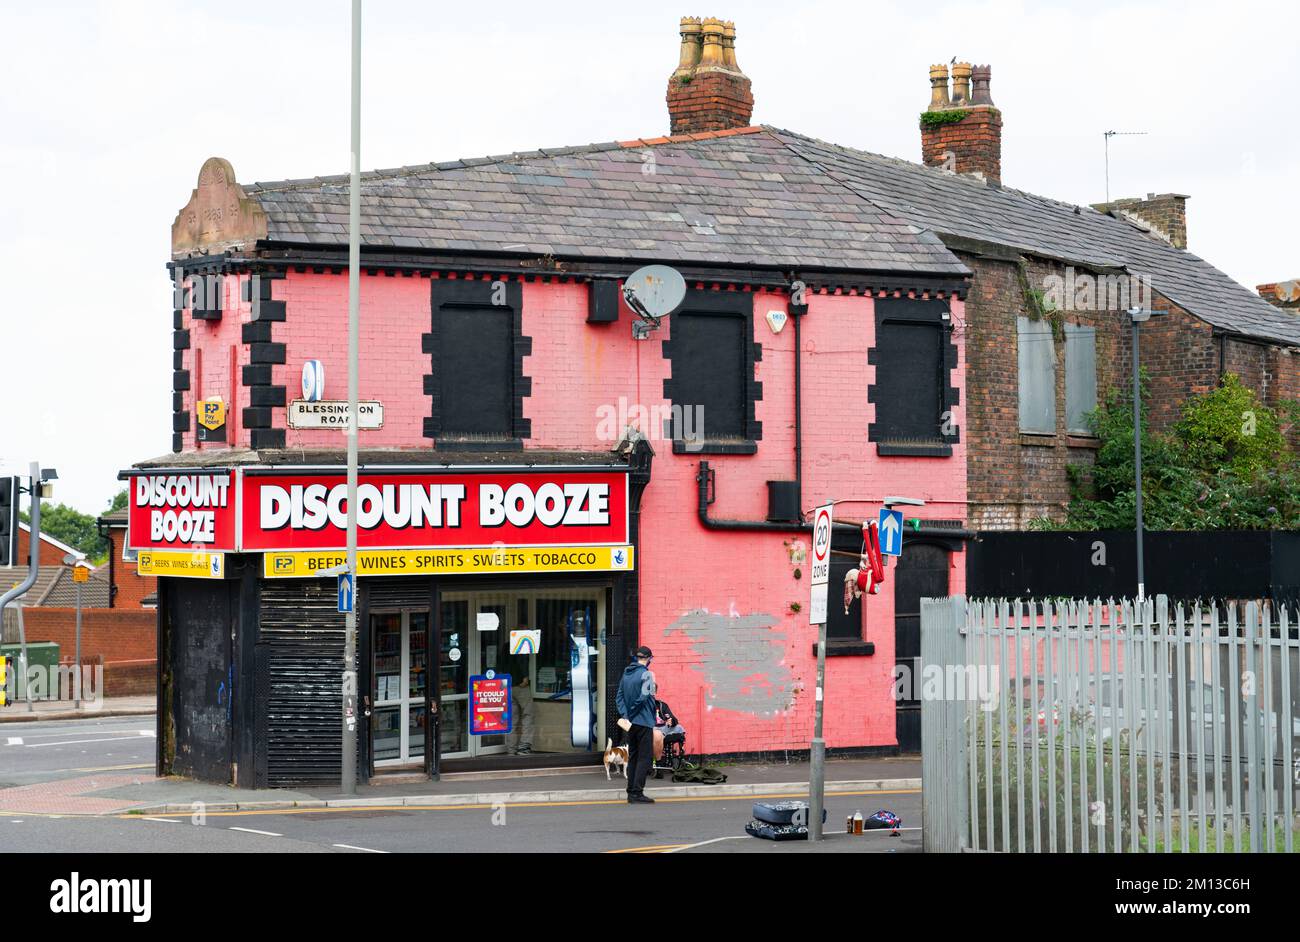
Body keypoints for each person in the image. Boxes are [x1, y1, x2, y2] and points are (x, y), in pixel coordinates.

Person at [616, 645, 657, 804]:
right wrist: (633, 712)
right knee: (644, 758)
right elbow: (645, 696)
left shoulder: (626, 673)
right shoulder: (647, 674)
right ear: (648, 659)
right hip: (644, 721)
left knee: (633, 756)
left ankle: (630, 792)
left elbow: (619, 697)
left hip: (630, 723)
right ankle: (637, 792)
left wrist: (626, 715)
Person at [511, 669, 535, 755]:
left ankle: (511, 749)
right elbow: (521, 656)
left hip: (506, 683)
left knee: (511, 720)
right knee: (528, 714)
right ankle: (524, 747)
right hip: (520, 684)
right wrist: (525, 676)